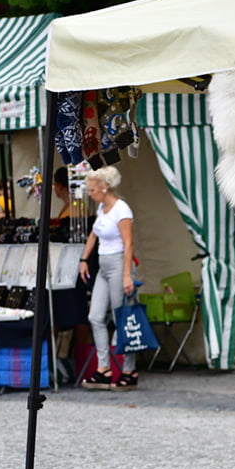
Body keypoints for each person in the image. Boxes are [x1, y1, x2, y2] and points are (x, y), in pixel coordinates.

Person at [78, 166, 139, 391]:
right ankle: (104, 368)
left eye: (92, 190)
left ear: (104, 188)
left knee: (121, 317)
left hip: (118, 263)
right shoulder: (102, 208)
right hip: (103, 264)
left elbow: (129, 243)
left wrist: (126, 275)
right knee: (95, 316)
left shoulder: (121, 210)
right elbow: (94, 234)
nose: (90, 193)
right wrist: (84, 259)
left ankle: (129, 370)